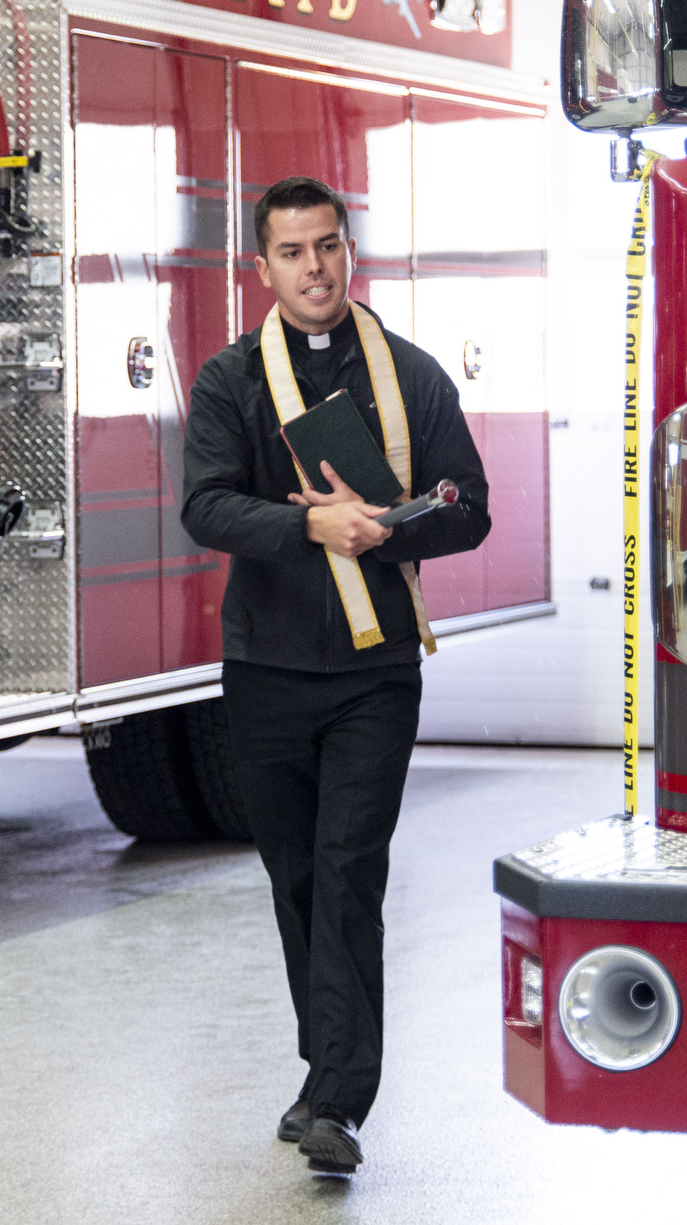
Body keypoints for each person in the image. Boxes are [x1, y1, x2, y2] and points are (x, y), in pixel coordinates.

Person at [180, 176, 490, 1175]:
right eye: (291, 251)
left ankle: (340, 1102)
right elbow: (206, 508)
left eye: (327, 246)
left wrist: (396, 518)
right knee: (297, 874)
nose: (313, 267)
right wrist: (311, 523)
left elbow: (470, 507)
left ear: (347, 252)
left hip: (373, 673)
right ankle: (325, 1070)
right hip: (264, 667)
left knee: (351, 870)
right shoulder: (231, 381)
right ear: (260, 266)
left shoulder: (411, 375)